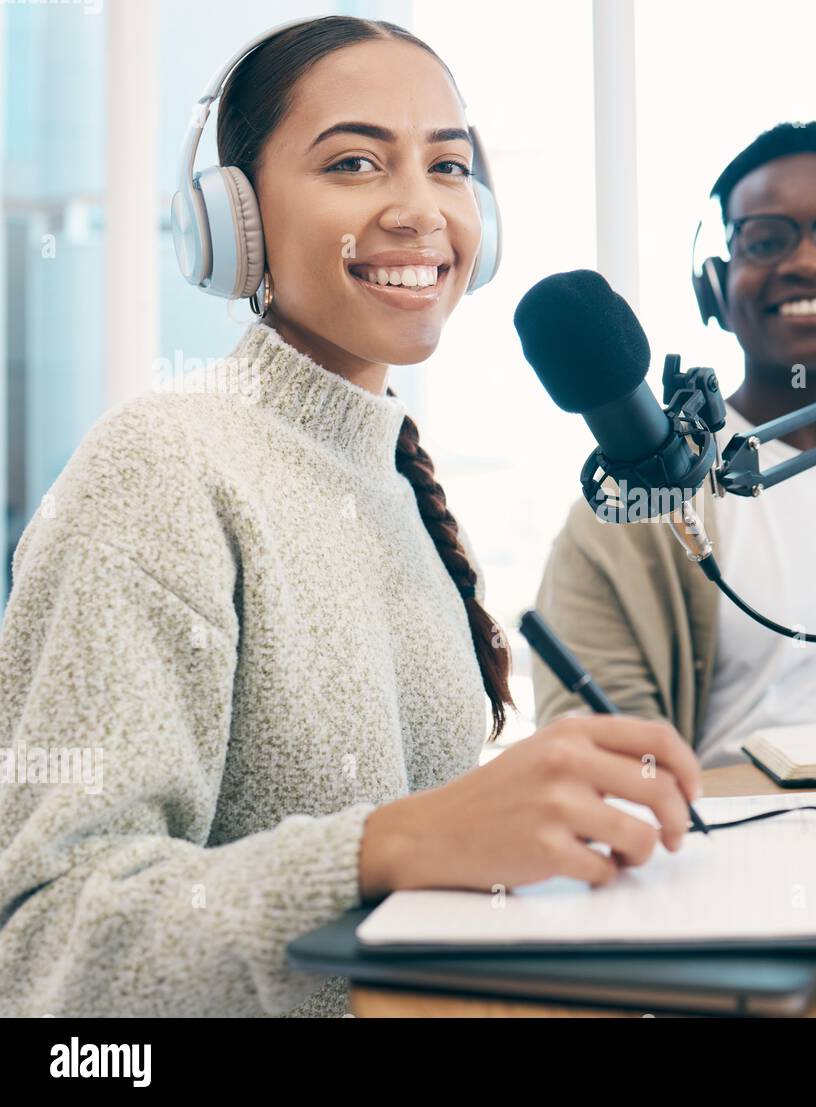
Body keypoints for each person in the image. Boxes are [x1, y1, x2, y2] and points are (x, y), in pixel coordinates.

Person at [0, 16, 700, 1018]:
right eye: (356, 162)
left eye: (448, 167)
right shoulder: (160, 468)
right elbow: (45, 949)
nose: (419, 209)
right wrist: (394, 846)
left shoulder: (395, 479)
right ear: (232, 221)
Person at [532, 122, 816, 769]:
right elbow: (603, 766)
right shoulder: (636, 512)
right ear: (716, 284)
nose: (808, 262)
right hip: (723, 845)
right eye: (765, 241)